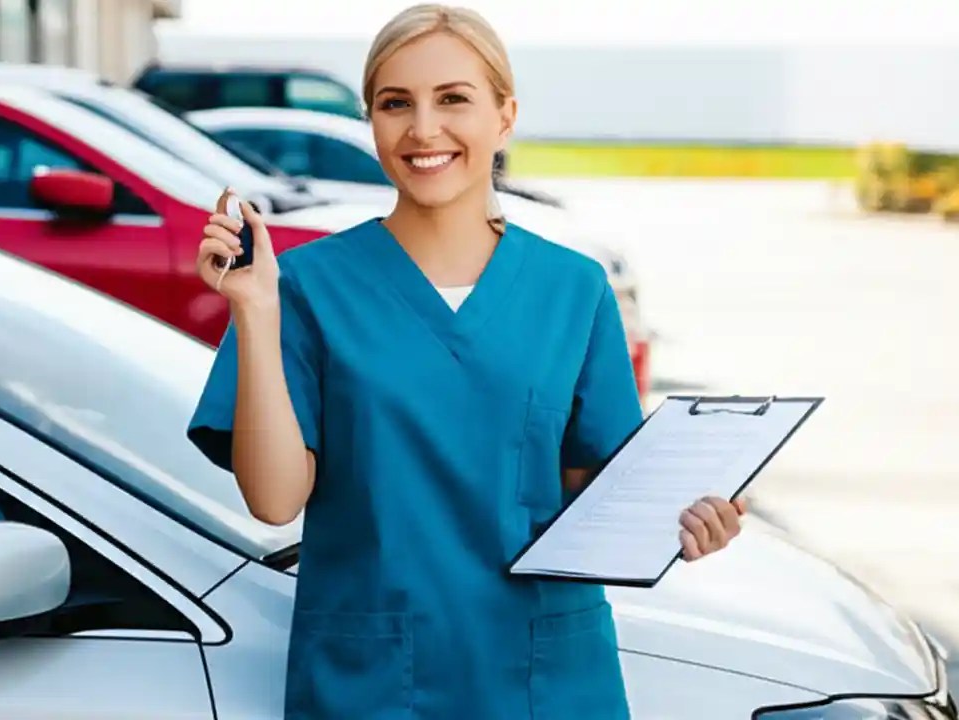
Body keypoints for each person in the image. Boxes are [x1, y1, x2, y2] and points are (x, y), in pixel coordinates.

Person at [186, 4, 747, 718]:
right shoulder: (300, 288)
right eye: (396, 104)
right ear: (371, 122)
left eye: (453, 99)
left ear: (504, 117)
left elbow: (597, 499)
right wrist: (253, 310)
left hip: (544, 682)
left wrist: (689, 518)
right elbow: (274, 500)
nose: (423, 129)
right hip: (373, 684)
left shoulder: (574, 290)